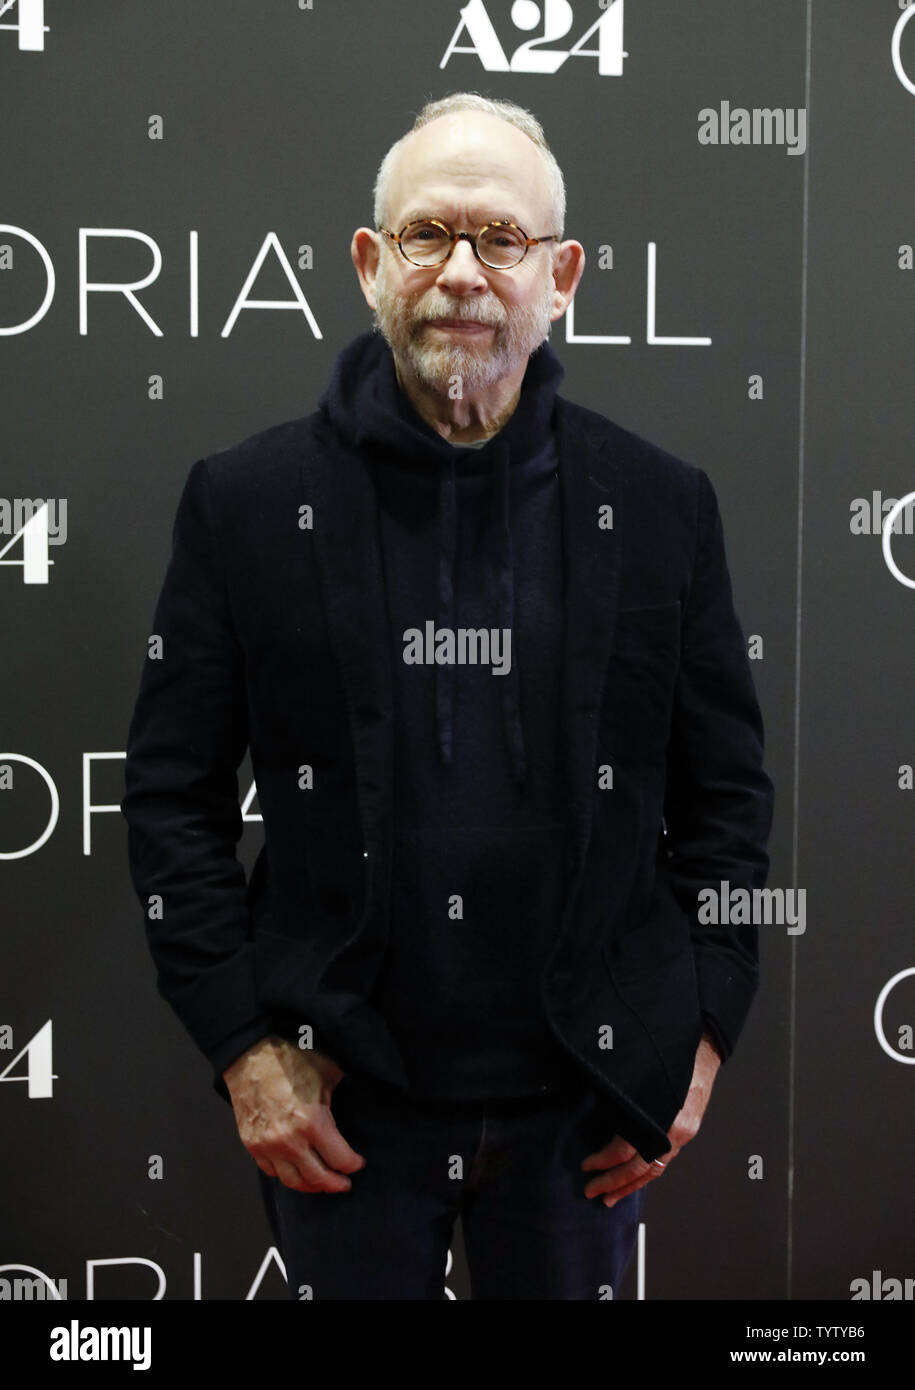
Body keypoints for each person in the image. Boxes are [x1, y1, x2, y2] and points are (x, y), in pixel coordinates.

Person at [121, 92, 774, 1301]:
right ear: (373, 267)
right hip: (345, 1107)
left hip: (586, 1107)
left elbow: (727, 800)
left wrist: (702, 1035)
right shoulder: (247, 502)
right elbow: (169, 798)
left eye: (502, 241)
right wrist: (243, 1049)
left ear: (563, 275)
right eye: (428, 236)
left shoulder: (663, 505)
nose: (463, 273)